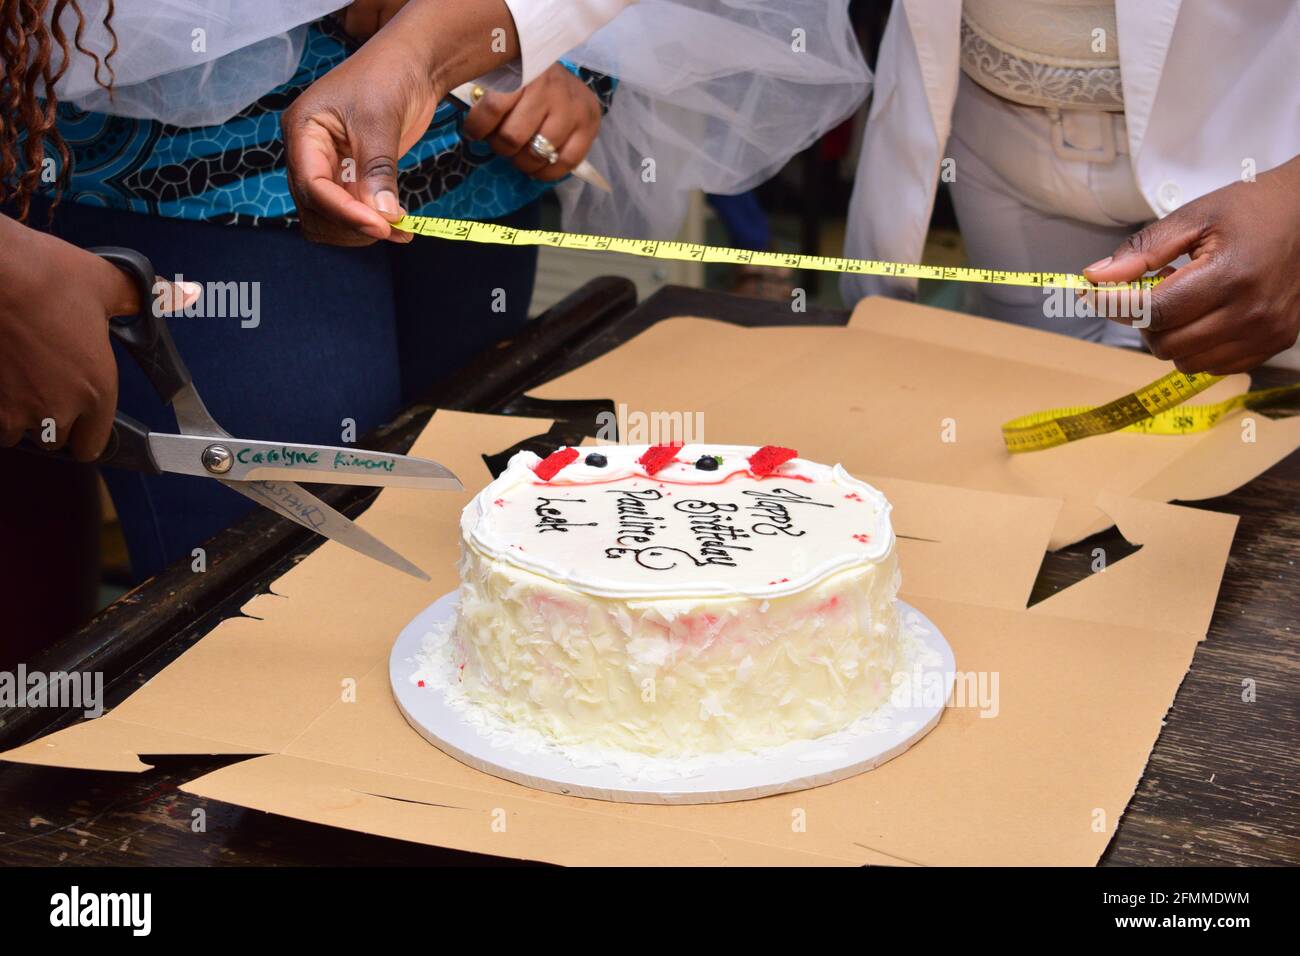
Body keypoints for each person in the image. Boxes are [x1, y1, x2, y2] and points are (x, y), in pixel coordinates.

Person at [1, 0, 633, 586]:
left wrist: (516, 31)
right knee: (256, 599)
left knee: (468, 535)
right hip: (181, 172)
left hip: (465, 142)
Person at [841, 0, 1300, 374]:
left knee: (1236, 415)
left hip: (1248, 156)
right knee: (1038, 391)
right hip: (999, 154)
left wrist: (1293, 193)